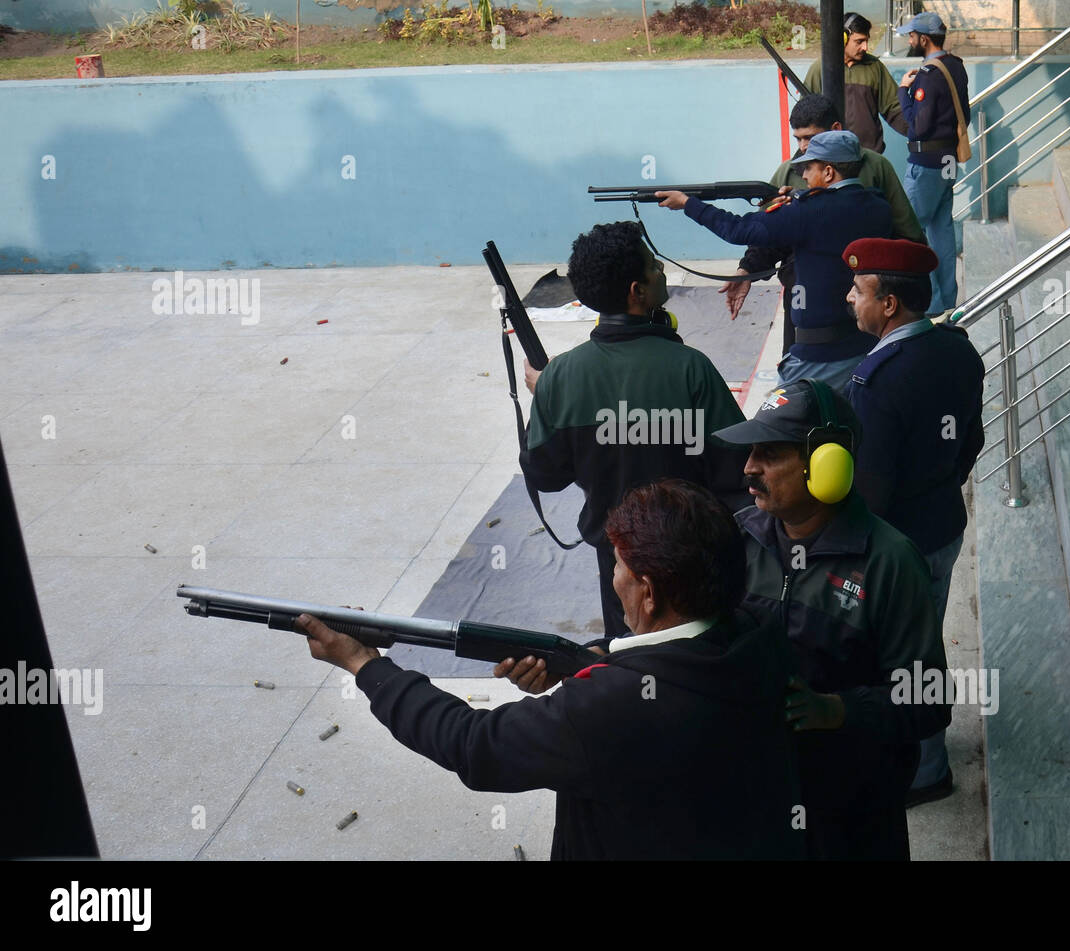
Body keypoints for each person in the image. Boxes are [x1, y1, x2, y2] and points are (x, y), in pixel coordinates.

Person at [295, 479, 805, 860]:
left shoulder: (606, 707)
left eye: (621, 568)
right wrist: (596, 665)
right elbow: (675, 674)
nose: (613, 577)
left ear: (649, 593)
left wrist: (366, 665)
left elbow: (474, 746)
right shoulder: (760, 628)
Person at [713, 381, 951, 859]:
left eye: (770, 453)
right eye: (751, 451)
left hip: (854, 811)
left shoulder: (889, 562)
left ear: (827, 463)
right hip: (764, 794)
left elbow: (929, 703)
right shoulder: (738, 538)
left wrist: (838, 711)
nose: (749, 467)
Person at [518, 222, 749, 638]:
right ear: (636, 292)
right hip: (695, 557)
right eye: (651, 265)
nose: (661, 268)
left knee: (626, 657)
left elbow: (545, 475)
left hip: (617, 561)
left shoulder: (561, 377)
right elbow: (738, 467)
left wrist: (546, 396)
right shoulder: (691, 368)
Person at [842, 237, 986, 806]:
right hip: (944, 523)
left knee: (899, 653)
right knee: (922, 643)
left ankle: (923, 770)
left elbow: (870, 489)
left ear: (889, 306)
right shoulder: (957, 349)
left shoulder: (877, 380)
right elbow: (969, 442)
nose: (849, 298)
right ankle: (923, 760)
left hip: (899, 542)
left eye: (859, 291)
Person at [657, 131, 892, 393]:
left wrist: (689, 204)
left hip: (818, 357)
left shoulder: (807, 211)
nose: (803, 176)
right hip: (866, 343)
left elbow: (738, 230)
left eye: (808, 167)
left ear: (828, 172)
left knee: (780, 426)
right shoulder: (878, 206)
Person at [723, 93, 926, 357]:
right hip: (806, 303)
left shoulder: (876, 167)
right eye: (798, 139)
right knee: (800, 382)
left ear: (836, 130)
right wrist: (747, 270)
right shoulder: (788, 172)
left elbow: (906, 235)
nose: (804, 147)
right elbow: (768, 237)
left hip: (866, 301)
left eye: (810, 138)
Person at [896, 11, 970, 318]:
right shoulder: (956, 66)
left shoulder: (928, 74)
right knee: (941, 230)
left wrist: (903, 91)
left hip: (926, 164)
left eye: (912, 36)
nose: (910, 40)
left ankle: (929, 303)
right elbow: (962, 113)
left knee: (911, 232)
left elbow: (918, 127)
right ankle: (946, 302)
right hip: (948, 160)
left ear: (924, 39)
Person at [803, 12, 909, 154]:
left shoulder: (874, 67)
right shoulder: (820, 69)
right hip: (831, 155)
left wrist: (918, 130)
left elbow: (894, 108)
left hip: (869, 155)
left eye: (866, 41)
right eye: (859, 42)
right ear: (843, 39)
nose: (865, 47)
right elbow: (805, 114)